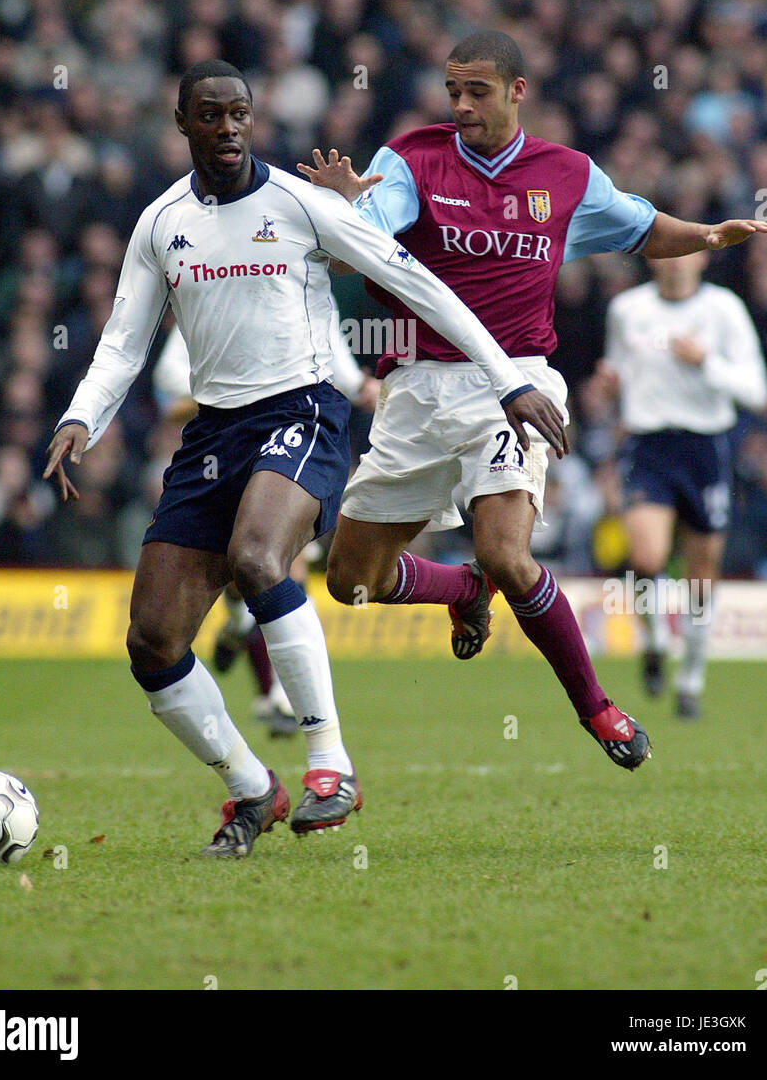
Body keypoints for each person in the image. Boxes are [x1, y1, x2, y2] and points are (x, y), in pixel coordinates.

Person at [44, 58, 565, 858]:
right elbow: (122, 341)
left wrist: (505, 382)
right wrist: (80, 418)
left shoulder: (299, 203)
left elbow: (415, 280)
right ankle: (253, 789)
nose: (226, 129)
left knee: (258, 557)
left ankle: (331, 764)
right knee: (151, 641)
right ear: (181, 122)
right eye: (209, 115)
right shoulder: (160, 224)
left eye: (239, 115)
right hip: (214, 432)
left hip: (304, 409)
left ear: (252, 121)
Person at [299, 30, 767, 771]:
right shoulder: (411, 159)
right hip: (416, 387)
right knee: (349, 580)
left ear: (517, 91)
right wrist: (342, 215)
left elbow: (643, 228)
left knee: (506, 553)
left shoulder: (566, 174)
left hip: (512, 385)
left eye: (477, 91)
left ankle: (597, 708)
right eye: (452, 90)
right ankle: (459, 588)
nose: (460, 105)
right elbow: (370, 234)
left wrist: (710, 235)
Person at [152, 314, 379, 736]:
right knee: (245, 567)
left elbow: (344, 372)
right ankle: (240, 622)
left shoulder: (303, 274)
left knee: (277, 561)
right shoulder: (215, 282)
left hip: (291, 437)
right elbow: (169, 380)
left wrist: (370, 388)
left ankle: (279, 694)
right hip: (219, 446)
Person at [596, 252, 767, 717]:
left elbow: (755, 388)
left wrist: (705, 361)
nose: (675, 263)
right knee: (647, 556)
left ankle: (690, 676)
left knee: (701, 572)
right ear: (652, 258)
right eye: (666, 253)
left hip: (705, 447)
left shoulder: (723, 309)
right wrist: (610, 386)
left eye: (685, 253)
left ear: (703, 258)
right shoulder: (627, 309)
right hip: (648, 445)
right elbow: (616, 369)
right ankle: (654, 641)